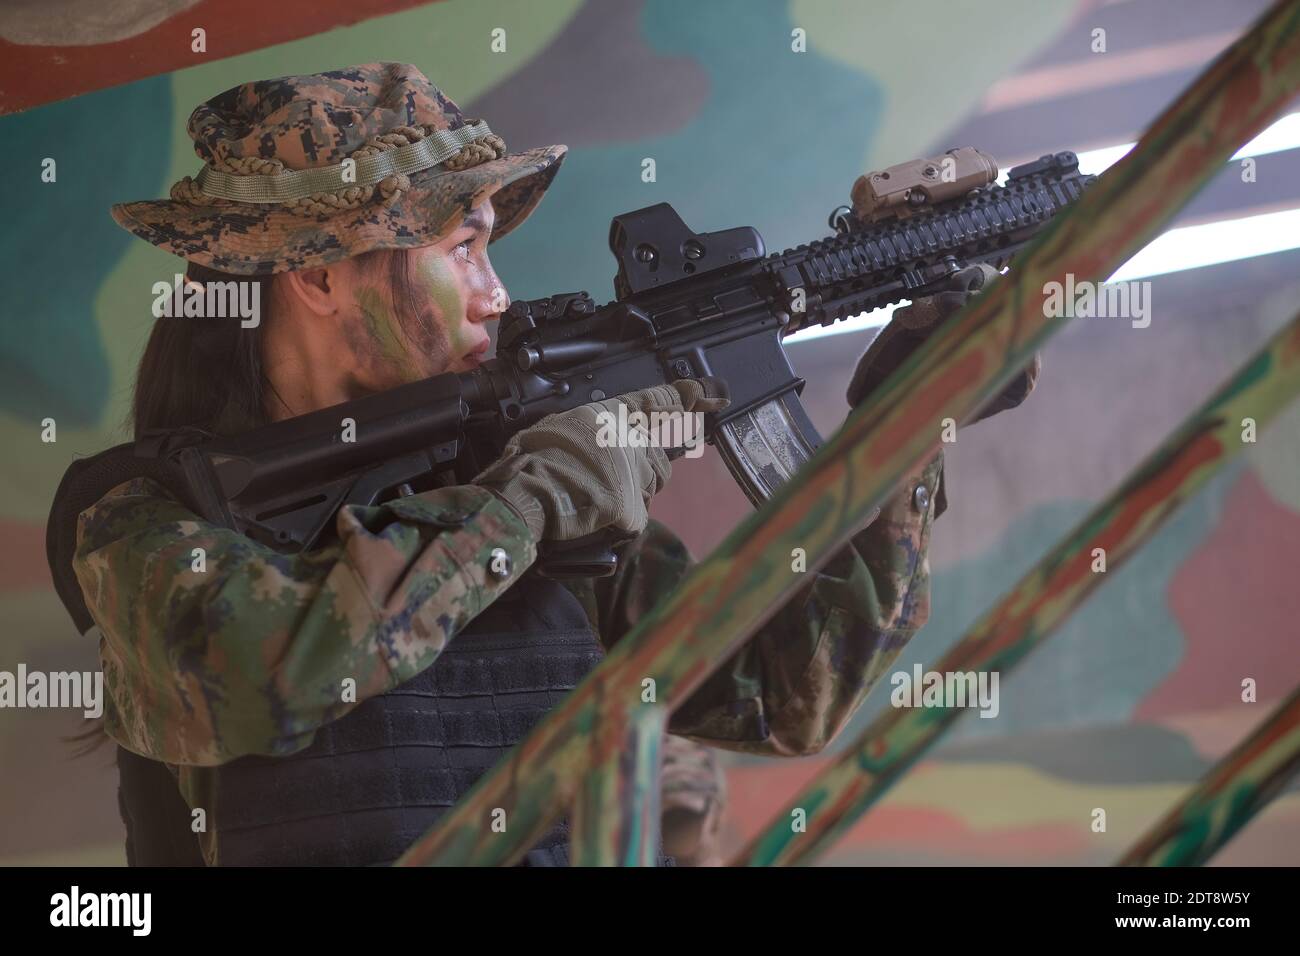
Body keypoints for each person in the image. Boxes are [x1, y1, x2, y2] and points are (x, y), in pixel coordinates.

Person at [65, 63, 1036, 867]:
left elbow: (791, 690)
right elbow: (266, 669)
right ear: (320, 275)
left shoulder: (516, 485)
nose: (496, 294)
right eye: (465, 248)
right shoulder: (147, 520)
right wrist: (531, 502)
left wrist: (909, 428)